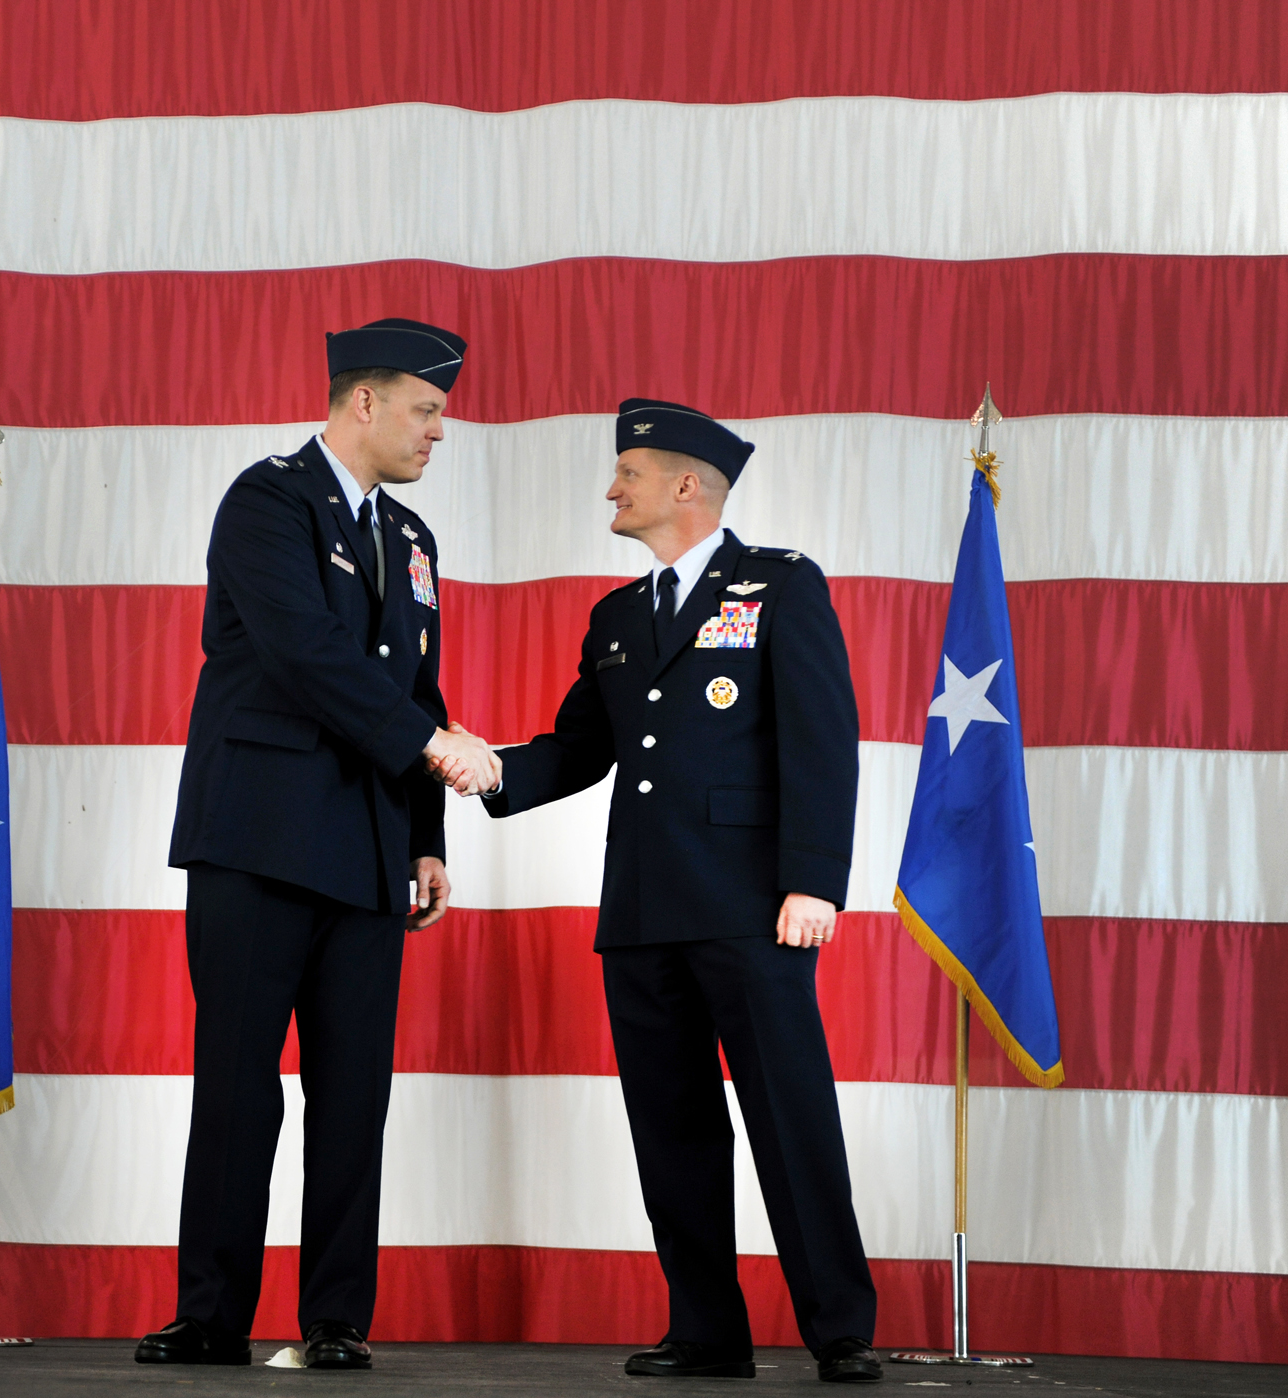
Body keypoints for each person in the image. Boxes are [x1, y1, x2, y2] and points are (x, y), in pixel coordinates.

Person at [457, 400, 882, 1382]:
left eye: (630, 474)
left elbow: (822, 740)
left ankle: (839, 1327)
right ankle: (705, 1330)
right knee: (672, 1128)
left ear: (687, 485)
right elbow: (580, 747)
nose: (612, 489)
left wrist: (814, 881)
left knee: (790, 1118)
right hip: (644, 912)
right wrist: (489, 769)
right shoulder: (617, 617)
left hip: (753, 907)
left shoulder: (780, 585)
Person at [137, 320, 498, 1371]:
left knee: (354, 1094)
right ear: (364, 402)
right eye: (426, 410)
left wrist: (425, 837)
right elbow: (306, 652)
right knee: (239, 1081)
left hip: (371, 847)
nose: (438, 432)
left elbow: (417, 688)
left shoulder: (413, 539)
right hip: (258, 837)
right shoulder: (267, 502)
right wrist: (430, 747)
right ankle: (212, 1314)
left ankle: (337, 1317)